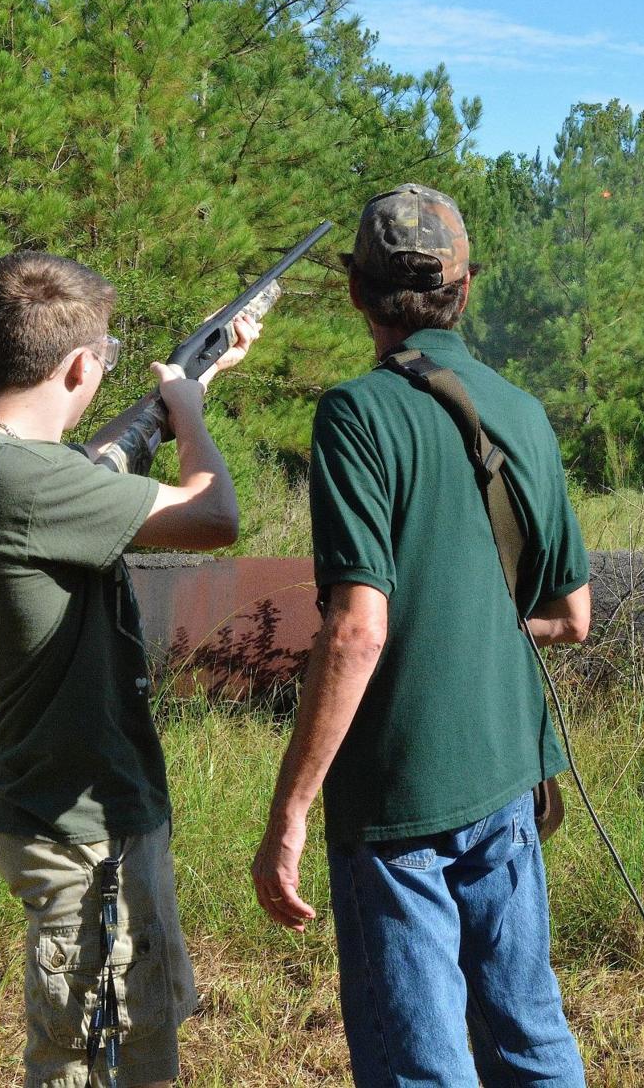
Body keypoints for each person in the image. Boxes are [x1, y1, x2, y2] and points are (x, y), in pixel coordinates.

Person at [252, 184, 591, 1086]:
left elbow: (357, 629)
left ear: (358, 293)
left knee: (419, 1066)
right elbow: (572, 616)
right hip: (510, 771)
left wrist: (289, 814)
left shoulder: (357, 415)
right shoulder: (522, 410)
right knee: (529, 1037)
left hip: (398, 797)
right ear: (464, 288)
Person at [0, 251, 259, 1088]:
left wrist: (185, 386)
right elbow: (214, 516)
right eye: (104, 359)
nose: (102, 370)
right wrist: (186, 413)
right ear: (80, 365)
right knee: (92, 1061)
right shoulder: (17, 479)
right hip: (83, 831)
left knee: (133, 1028)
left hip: (80, 813)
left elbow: (92, 466)